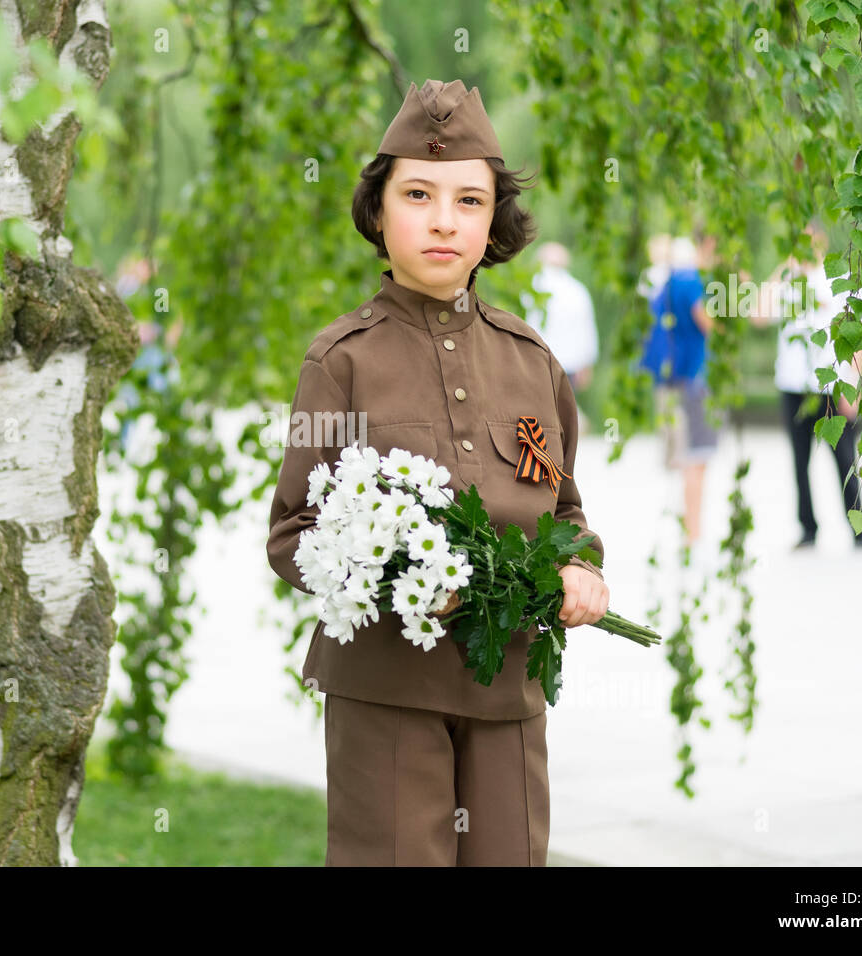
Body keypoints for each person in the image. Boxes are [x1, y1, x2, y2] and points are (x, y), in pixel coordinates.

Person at [266, 79, 608, 866]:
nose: (444, 220)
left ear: (495, 223)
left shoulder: (533, 363)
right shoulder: (340, 361)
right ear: (379, 211)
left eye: (469, 201)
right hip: (386, 691)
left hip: (510, 690)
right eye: (418, 194)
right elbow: (293, 536)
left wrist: (578, 566)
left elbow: (566, 514)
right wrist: (394, 579)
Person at [751, 222, 862, 550]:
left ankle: (860, 528)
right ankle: (807, 527)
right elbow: (757, 314)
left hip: (830, 383)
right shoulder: (788, 281)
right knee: (799, 459)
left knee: (844, 457)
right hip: (793, 384)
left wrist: (854, 385)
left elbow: (855, 336)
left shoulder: (837, 279)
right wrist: (781, 269)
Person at [637, 235, 721, 548]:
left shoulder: (668, 282)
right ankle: (694, 532)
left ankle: (690, 530)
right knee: (697, 457)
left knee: (689, 455)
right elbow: (707, 323)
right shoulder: (692, 281)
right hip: (697, 375)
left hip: (674, 376)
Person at [520, 242, 599, 399]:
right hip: (568, 365)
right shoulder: (577, 290)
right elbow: (586, 331)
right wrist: (586, 365)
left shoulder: (530, 287)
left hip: (535, 362)